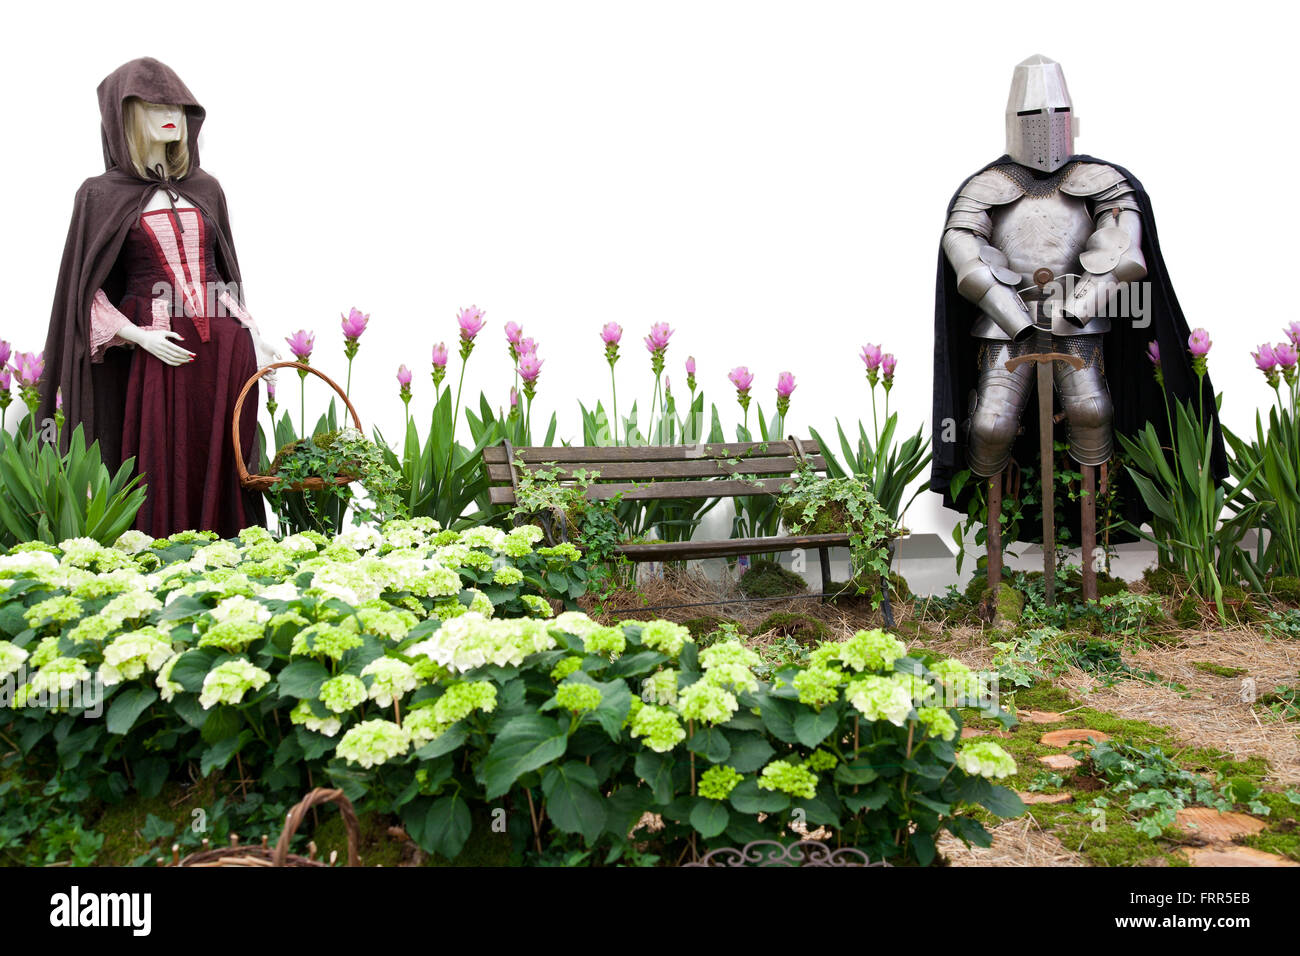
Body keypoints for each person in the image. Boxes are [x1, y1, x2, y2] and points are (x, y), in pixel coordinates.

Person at [39, 58, 278, 537]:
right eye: (152, 106)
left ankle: (230, 566)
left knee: (223, 456)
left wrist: (253, 331)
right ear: (123, 116)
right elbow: (82, 295)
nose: (168, 115)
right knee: (162, 460)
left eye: (175, 105)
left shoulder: (206, 188)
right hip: (160, 354)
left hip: (225, 353)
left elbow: (220, 273)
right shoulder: (98, 195)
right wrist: (136, 335)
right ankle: (159, 570)